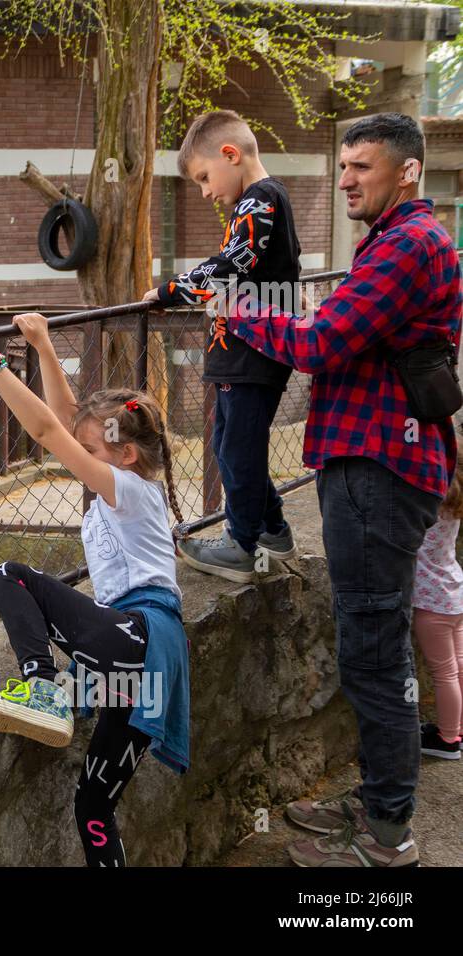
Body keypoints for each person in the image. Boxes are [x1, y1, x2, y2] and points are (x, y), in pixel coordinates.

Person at [228, 113, 460, 867]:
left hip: (378, 468)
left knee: (374, 652)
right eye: (346, 165)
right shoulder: (395, 244)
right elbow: (341, 328)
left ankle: (388, 837)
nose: (348, 178)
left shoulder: (407, 245)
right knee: (372, 645)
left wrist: (239, 309)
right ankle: (375, 801)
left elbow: (321, 343)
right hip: (377, 466)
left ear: (408, 171)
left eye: (363, 165)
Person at [0, 311, 189, 867]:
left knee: (11, 575)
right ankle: (56, 694)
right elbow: (64, 420)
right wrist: (44, 347)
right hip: (148, 665)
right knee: (93, 803)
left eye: (92, 449)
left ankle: (44, 689)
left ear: (126, 453)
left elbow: (47, 431)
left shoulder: (126, 489)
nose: (80, 456)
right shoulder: (130, 483)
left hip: (137, 636)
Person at [143, 109, 301, 582]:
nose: (207, 192)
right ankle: (271, 530)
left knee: (237, 450)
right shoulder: (256, 203)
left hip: (252, 355)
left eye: (205, 178)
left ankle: (242, 544)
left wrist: (169, 292)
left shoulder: (262, 200)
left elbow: (230, 267)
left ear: (230, 155)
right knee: (233, 445)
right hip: (242, 355)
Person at [411, 459, 463, 760]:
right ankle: (456, 729)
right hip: (453, 591)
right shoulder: (453, 505)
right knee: (457, 667)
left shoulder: (427, 506)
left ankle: (446, 739)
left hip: (432, 602)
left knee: (444, 673)